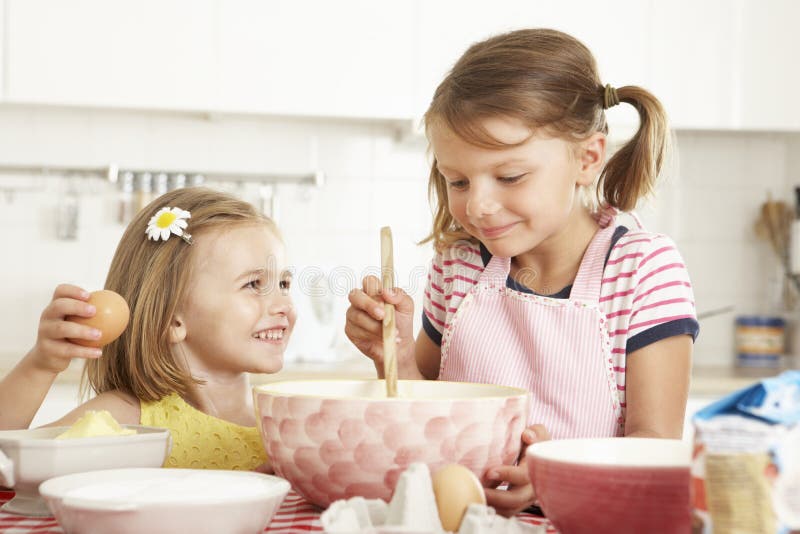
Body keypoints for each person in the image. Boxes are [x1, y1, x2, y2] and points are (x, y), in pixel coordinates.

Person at [345, 28, 698, 515]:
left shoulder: (641, 271)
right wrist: (396, 355)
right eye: (458, 180)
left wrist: (560, 474)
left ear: (587, 158)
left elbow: (655, 447)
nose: (479, 205)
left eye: (510, 177)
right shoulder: (460, 266)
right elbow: (426, 415)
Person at [0, 187, 295, 471]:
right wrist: (40, 366)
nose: (283, 303)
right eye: (253, 284)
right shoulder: (127, 421)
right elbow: (7, 462)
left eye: (283, 283)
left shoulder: (288, 422)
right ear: (173, 319)